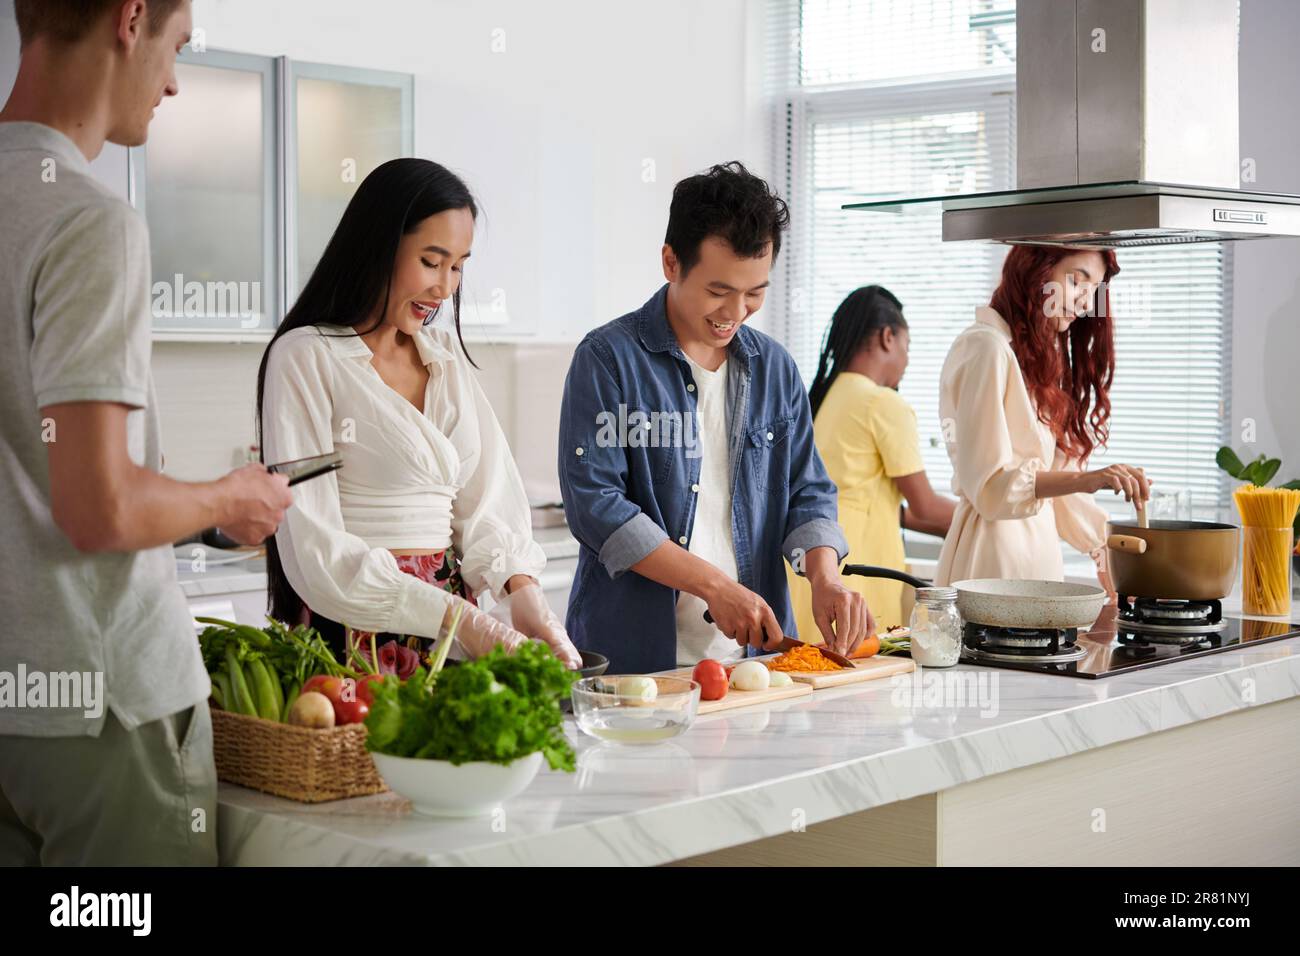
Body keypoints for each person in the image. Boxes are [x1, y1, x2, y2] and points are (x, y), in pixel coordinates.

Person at [0, 0, 292, 865]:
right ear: (131, 19)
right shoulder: (90, 221)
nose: (171, 82)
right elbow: (101, 507)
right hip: (103, 711)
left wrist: (196, 510)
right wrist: (232, 495)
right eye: (177, 46)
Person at [258, 158, 581, 670]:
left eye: (458, 266)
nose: (446, 287)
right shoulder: (306, 357)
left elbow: (487, 498)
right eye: (431, 262)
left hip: (452, 635)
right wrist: (461, 620)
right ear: (379, 246)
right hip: (352, 636)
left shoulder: (445, 360)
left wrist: (524, 593)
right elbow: (316, 546)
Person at [558, 161, 872, 674]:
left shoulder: (774, 368)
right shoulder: (608, 360)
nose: (736, 311)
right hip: (634, 663)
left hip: (754, 665)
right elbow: (597, 506)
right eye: (718, 290)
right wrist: (714, 585)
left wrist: (824, 577)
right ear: (670, 262)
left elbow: (808, 489)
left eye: (755, 293)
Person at [934, 245, 1151, 591]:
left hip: (1039, 559)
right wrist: (1090, 479)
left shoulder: (1035, 359)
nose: (1084, 302)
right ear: (1037, 267)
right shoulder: (985, 348)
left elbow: (1060, 480)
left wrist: (1104, 550)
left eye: (1093, 292)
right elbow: (990, 488)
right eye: (1078, 281)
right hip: (990, 561)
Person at [787, 286, 954, 633]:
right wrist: (990, 518)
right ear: (888, 337)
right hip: (858, 580)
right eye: (908, 348)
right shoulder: (883, 403)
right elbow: (925, 507)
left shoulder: (827, 398)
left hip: (814, 574)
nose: (907, 362)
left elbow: (878, 505)